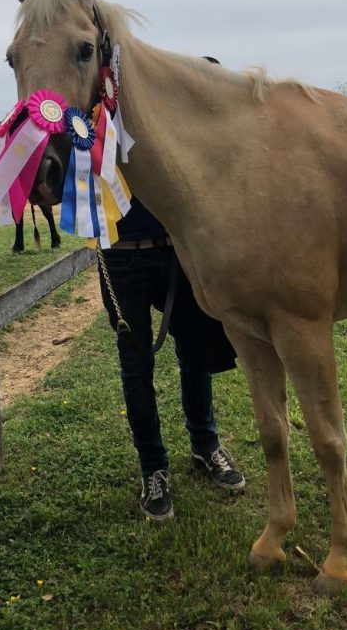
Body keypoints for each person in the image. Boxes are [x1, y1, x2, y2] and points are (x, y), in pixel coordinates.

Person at [98, 58, 245, 522]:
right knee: (136, 365)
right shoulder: (101, 116)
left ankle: (205, 444)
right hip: (120, 254)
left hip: (176, 250)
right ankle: (153, 468)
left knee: (195, 351)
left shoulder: (184, 123)